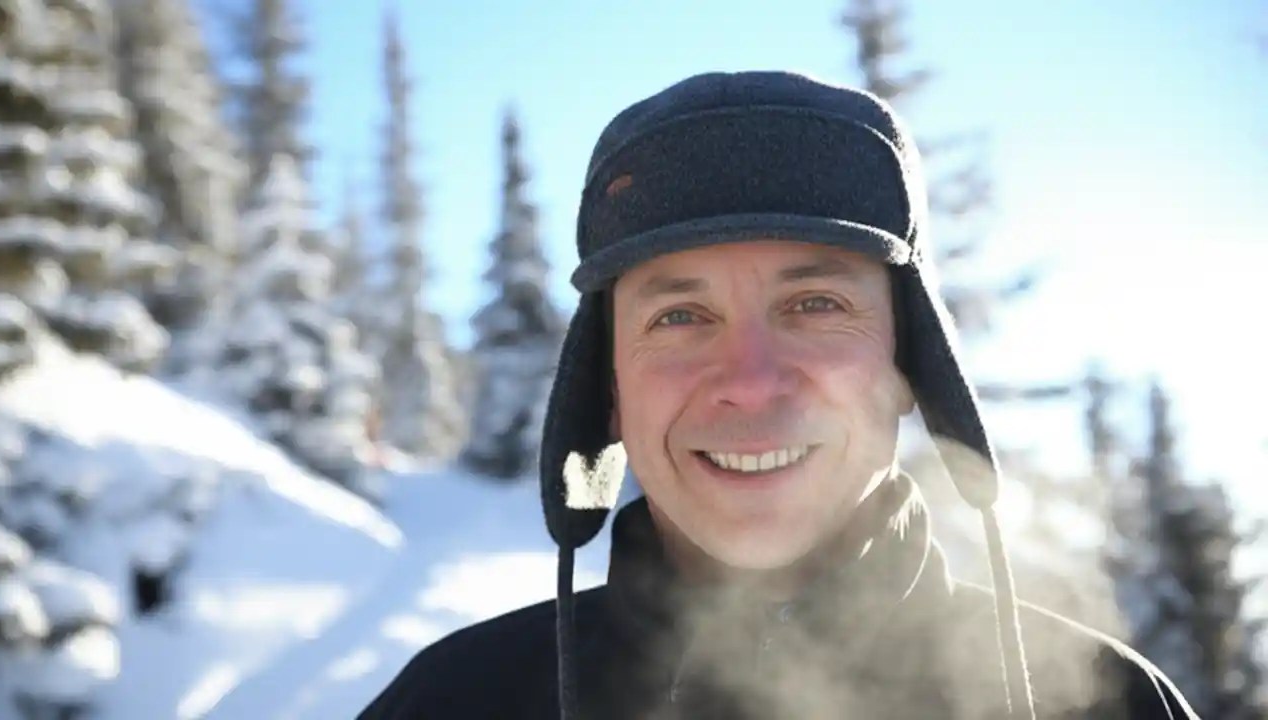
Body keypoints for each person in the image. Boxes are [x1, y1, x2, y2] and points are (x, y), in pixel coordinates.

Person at [359, 71, 1197, 719]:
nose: (751, 382)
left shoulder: (1103, 704)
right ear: (608, 392)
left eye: (815, 306)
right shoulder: (457, 701)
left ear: (911, 365)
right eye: (681, 316)